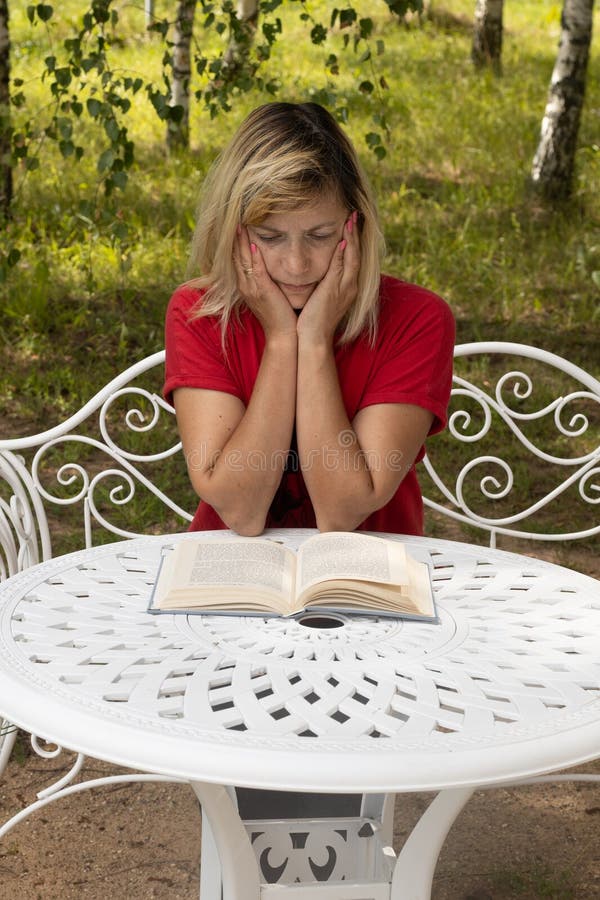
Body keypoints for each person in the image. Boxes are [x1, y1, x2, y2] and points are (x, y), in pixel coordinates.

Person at [164, 101, 455, 538]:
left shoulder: (417, 319)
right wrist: (283, 340)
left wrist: (315, 340)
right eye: (270, 237)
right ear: (232, 230)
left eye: (320, 236)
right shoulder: (198, 312)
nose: (297, 265)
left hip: (367, 581)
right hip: (230, 579)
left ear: (355, 225)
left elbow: (343, 512)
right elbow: (240, 512)